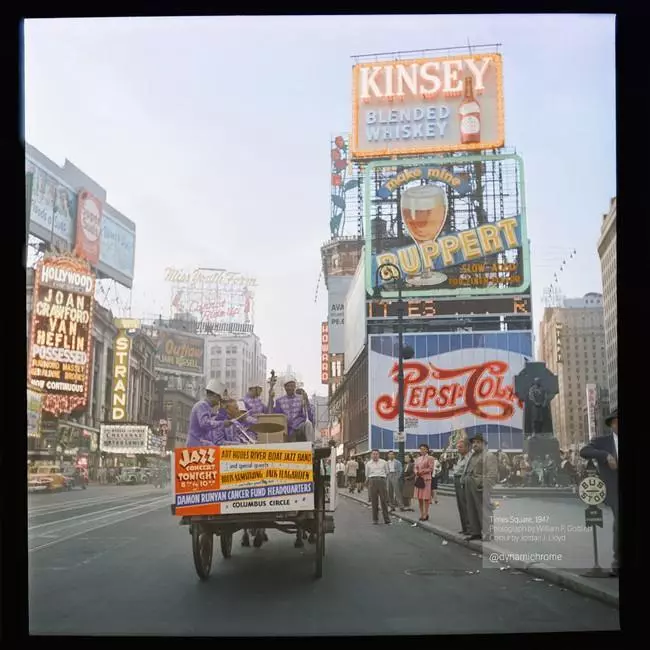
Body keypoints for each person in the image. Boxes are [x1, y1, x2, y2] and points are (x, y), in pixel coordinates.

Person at [580, 408, 619, 577]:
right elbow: (584, 451)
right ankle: (618, 562)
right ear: (612, 424)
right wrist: (606, 456)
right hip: (614, 490)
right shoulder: (603, 442)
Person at [464, 433, 498, 541]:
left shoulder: (489, 455)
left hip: (480, 486)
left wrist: (484, 485)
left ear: (484, 444)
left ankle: (488, 533)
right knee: (471, 509)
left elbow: (492, 474)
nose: (475, 444)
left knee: (484, 510)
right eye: (473, 442)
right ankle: (476, 532)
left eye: (478, 442)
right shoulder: (472, 456)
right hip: (469, 485)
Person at [186, 380, 234, 447]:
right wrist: (223, 423)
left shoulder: (205, 407)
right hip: (196, 444)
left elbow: (212, 421)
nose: (218, 402)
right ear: (214, 396)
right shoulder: (202, 405)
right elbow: (204, 423)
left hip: (199, 443)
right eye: (219, 399)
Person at [273, 377, 314, 442]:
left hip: (299, 426)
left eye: (292, 386)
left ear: (295, 387)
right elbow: (277, 417)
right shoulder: (279, 401)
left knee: (308, 424)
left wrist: (307, 402)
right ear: (285, 387)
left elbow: (309, 416)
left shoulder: (301, 398)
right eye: (288, 386)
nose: (290, 388)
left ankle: (311, 445)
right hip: (286, 428)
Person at [365, 449, 391, 525]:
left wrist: (385, 482)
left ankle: (387, 519)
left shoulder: (384, 462)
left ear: (379, 455)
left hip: (382, 480)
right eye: (373, 454)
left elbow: (387, 472)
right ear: (371, 455)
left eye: (376, 454)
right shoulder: (368, 464)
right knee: (374, 501)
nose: (375, 455)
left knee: (384, 500)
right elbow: (367, 474)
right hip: (372, 481)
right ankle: (375, 519)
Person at [453, 438, 472, 536]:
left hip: (463, 481)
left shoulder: (469, 457)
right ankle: (464, 527)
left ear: (467, 447)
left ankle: (469, 528)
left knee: (465, 505)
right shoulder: (460, 457)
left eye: (460, 447)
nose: (458, 449)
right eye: (458, 447)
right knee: (460, 505)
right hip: (457, 480)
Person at [414, 444, 434, 521]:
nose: (422, 450)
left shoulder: (430, 458)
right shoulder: (418, 458)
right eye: (421, 449)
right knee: (419, 498)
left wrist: (422, 471)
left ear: (427, 450)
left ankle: (426, 513)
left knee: (426, 498)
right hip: (419, 479)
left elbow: (431, 468)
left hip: (426, 479)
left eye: (424, 449)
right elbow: (415, 467)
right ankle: (422, 513)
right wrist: (416, 472)